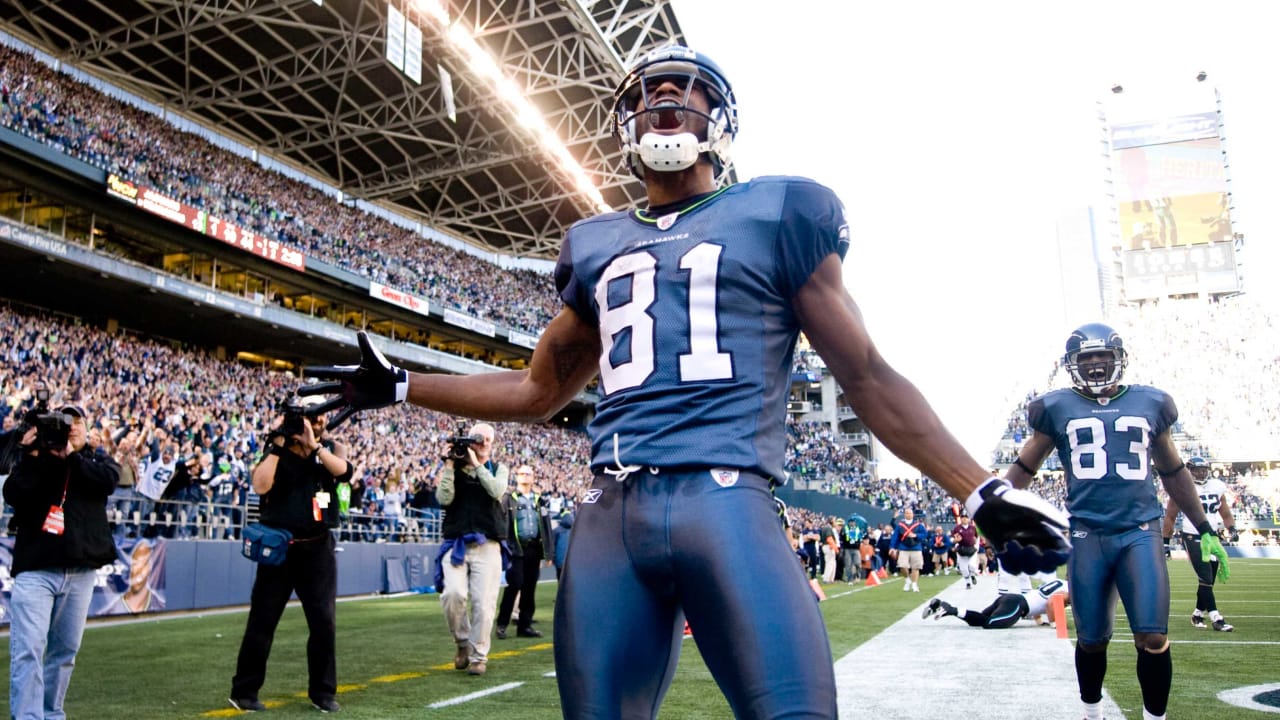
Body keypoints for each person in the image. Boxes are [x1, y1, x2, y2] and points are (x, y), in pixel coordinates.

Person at [301, 45, 1069, 718]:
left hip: (727, 501)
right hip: (609, 517)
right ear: (625, 128)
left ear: (721, 118)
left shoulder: (779, 208)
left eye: (685, 90)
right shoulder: (593, 244)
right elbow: (539, 391)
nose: (662, 101)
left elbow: (865, 374)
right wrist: (405, 385)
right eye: (641, 96)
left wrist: (977, 489)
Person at [1004, 322, 1230, 720]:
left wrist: (1205, 527)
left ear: (1118, 359)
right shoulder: (1055, 407)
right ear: (1073, 364)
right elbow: (1025, 464)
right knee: (1092, 640)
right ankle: (1093, 713)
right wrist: (995, 510)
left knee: (1153, 636)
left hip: (1139, 531)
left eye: (1102, 356)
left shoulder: (1150, 403)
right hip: (1087, 534)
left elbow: (1173, 471)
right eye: (1086, 358)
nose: (1095, 365)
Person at [229, 394, 351, 714]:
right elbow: (260, 486)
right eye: (310, 417)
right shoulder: (277, 449)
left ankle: (323, 692)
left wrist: (314, 447)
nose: (314, 422)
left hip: (317, 548)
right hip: (279, 548)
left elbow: (344, 472)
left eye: (320, 417)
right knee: (263, 621)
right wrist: (279, 445)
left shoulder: (331, 449)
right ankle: (244, 691)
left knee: (324, 623)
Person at [4, 403, 119, 720]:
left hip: (80, 572)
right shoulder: (37, 459)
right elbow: (14, 492)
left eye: (77, 421)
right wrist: (30, 455)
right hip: (36, 570)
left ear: (86, 428)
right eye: (63, 421)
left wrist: (71, 455)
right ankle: (28, 717)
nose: (71, 426)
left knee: (65, 652)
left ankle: (51, 713)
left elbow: (108, 481)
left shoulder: (95, 459)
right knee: (28, 650)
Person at [434, 423, 508, 676]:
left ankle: (479, 656)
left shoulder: (499, 469)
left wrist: (477, 465)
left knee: (484, 604)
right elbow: (443, 499)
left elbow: (496, 490)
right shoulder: (453, 469)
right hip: (456, 542)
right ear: (468, 441)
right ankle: (462, 643)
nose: (484, 443)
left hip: (488, 544)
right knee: (452, 595)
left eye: (488, 439)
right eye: (478, 439)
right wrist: (448, 465)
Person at [1162, 455, 1236, 632]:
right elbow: (1170, 517)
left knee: (1208, 580)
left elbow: (1225, 512)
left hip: (1212, 536)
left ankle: (1197, 614)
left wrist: (1232, 528)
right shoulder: (1182, 488)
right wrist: (1166, 543)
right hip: (1192, 535)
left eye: (1203, 469)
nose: (1201, 473)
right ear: (1189, 471)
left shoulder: (1217, 487)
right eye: (1196, 470)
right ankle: (1216, 618)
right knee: (1205, 577)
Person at [495, 464, 552, 640]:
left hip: (534, 549)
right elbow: (501, 521)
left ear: (533, 477)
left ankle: (524, 626)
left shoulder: (539, 499)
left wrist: (548, 553)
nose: (525, 476)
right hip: (515, 549)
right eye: (522, 474)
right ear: (517, 477)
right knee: (514, 585)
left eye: (529, 474)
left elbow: (546, 526)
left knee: (530, 588)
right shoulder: (509, 498)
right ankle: (502, 624)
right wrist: (502, 545)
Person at [922, 579, 1069, 629]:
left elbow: (1040, 597)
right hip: (1018, 605)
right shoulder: (1070, 590)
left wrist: (1038, 620)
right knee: (989, 624)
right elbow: (1051, 602)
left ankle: (947, 608)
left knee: (980, 620)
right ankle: (947, 609)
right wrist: (1055, 624)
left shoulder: (1059, 583)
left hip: (1011, 599)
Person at [890, 507, 927, 592]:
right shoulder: (900, 525)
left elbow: (925, 534)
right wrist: (892, 547)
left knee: (916, 567)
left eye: (910, 513)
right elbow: (895, 537)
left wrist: (916, 535)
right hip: (903, 548)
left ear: (913, 514)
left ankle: (914, 585)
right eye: (907, 513)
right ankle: (907, 580)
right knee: (902, 566)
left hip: (916, 548)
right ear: (904, 514)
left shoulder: (918, 524)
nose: (909, 514)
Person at [951, 512, 980, 589]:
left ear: (968, 519)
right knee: (963, 568)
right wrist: (955, 541)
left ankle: (973, 575)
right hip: (961, 549)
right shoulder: (957, 528)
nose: (964, 518)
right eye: (963, 517)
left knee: (972, 565)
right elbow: (952, 538)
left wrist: (977, 547)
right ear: (961, 519)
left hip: (971, 548)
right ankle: (968, 583)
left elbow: (977, 537)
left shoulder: (973, 528)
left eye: (966, 517)